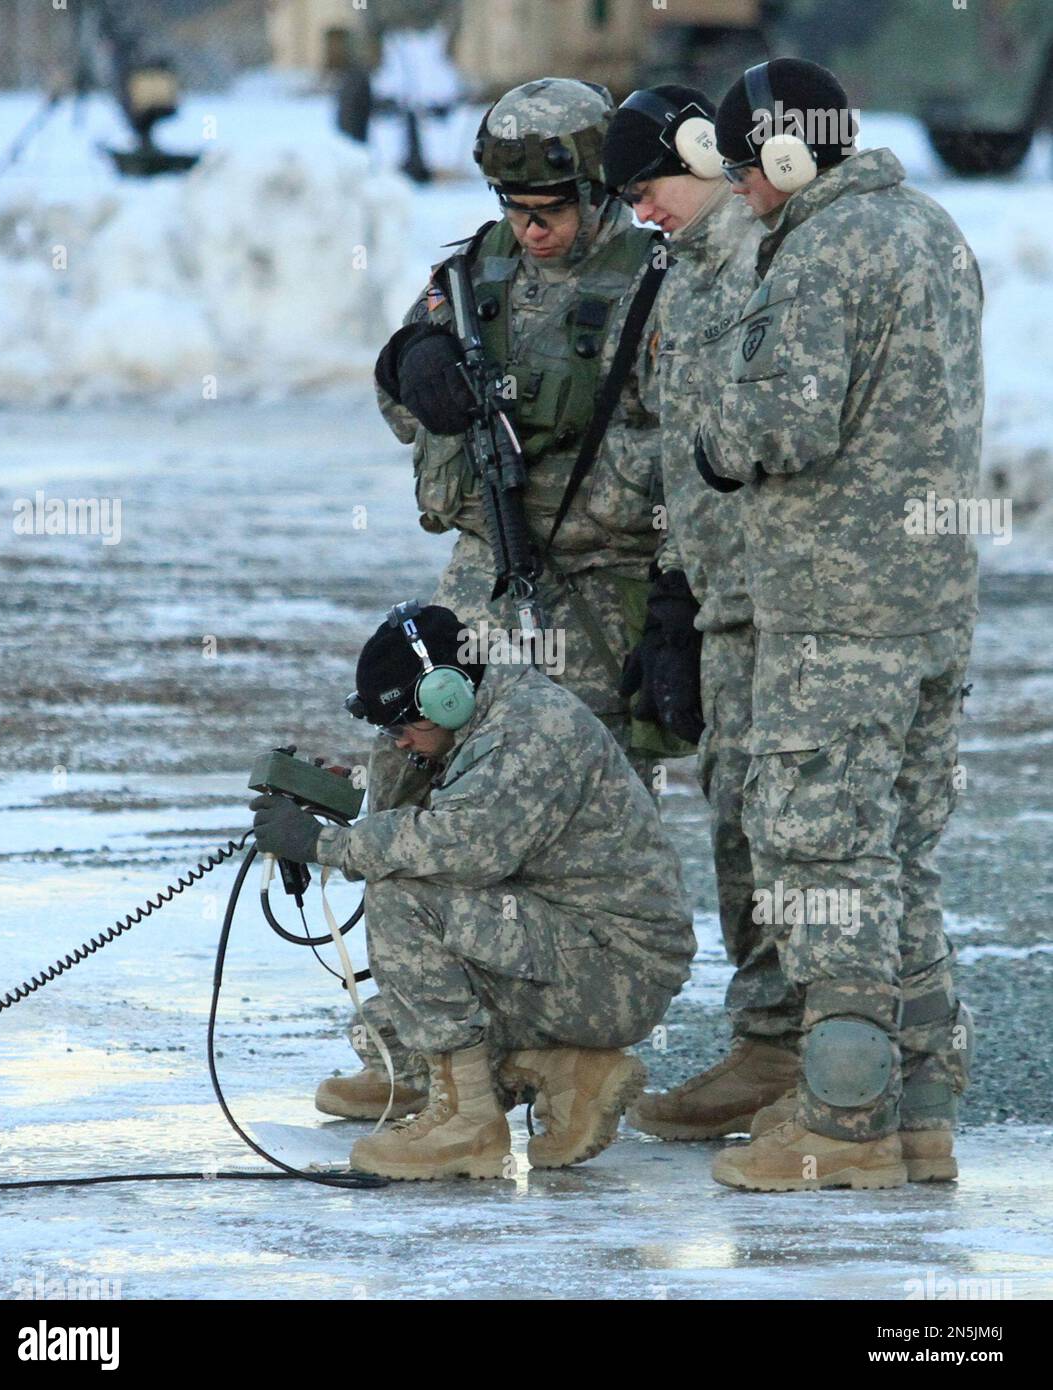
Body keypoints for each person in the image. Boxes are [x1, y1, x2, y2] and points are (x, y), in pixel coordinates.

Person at [691, 59, 982, 1190]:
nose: (743, 197)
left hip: (833, 611)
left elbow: (783, 423)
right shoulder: (929, 229)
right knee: (899, 857)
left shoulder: (821, 249)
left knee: (823, 857)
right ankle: (917, 1117)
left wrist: (715, 413)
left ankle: (844, 1121)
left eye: (746, 172)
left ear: (780, 154)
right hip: (927, 607)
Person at [250, 603, 696, 1181]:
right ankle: (563, 1070)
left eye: (405, 725)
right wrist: (364, 785)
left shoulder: (530, 732)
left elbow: (461, 850)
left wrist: (327, 846)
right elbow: (413, 820)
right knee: (388, 1032)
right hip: (566, 946)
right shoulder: (468, 722)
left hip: (616, 969)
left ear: (448, 696)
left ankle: (470, 1124)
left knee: (402, 899)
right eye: (388, 729)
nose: (400, 738)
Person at [374, 76, 690, 791]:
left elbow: (698, 456)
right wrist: (412, 362)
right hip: (482, 570)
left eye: (549, 210)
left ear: (600, 190)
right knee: (421, 772)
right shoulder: (468, 275)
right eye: (513, 209)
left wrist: (678, 602)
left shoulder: (658, 287)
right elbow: (396, 403)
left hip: (600, 586)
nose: (530, 230)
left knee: (583, 800)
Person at [601, 87, 805, 1141]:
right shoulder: (682, 276)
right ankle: (768, 1042)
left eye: (648, 186)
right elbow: (680, 446)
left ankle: (831, 1052)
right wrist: (674, 592)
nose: (641, 210)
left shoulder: (777, 259)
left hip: (793, 599)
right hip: (720, 595)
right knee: (735, 814)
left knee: (802, 825)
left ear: (700, 152)